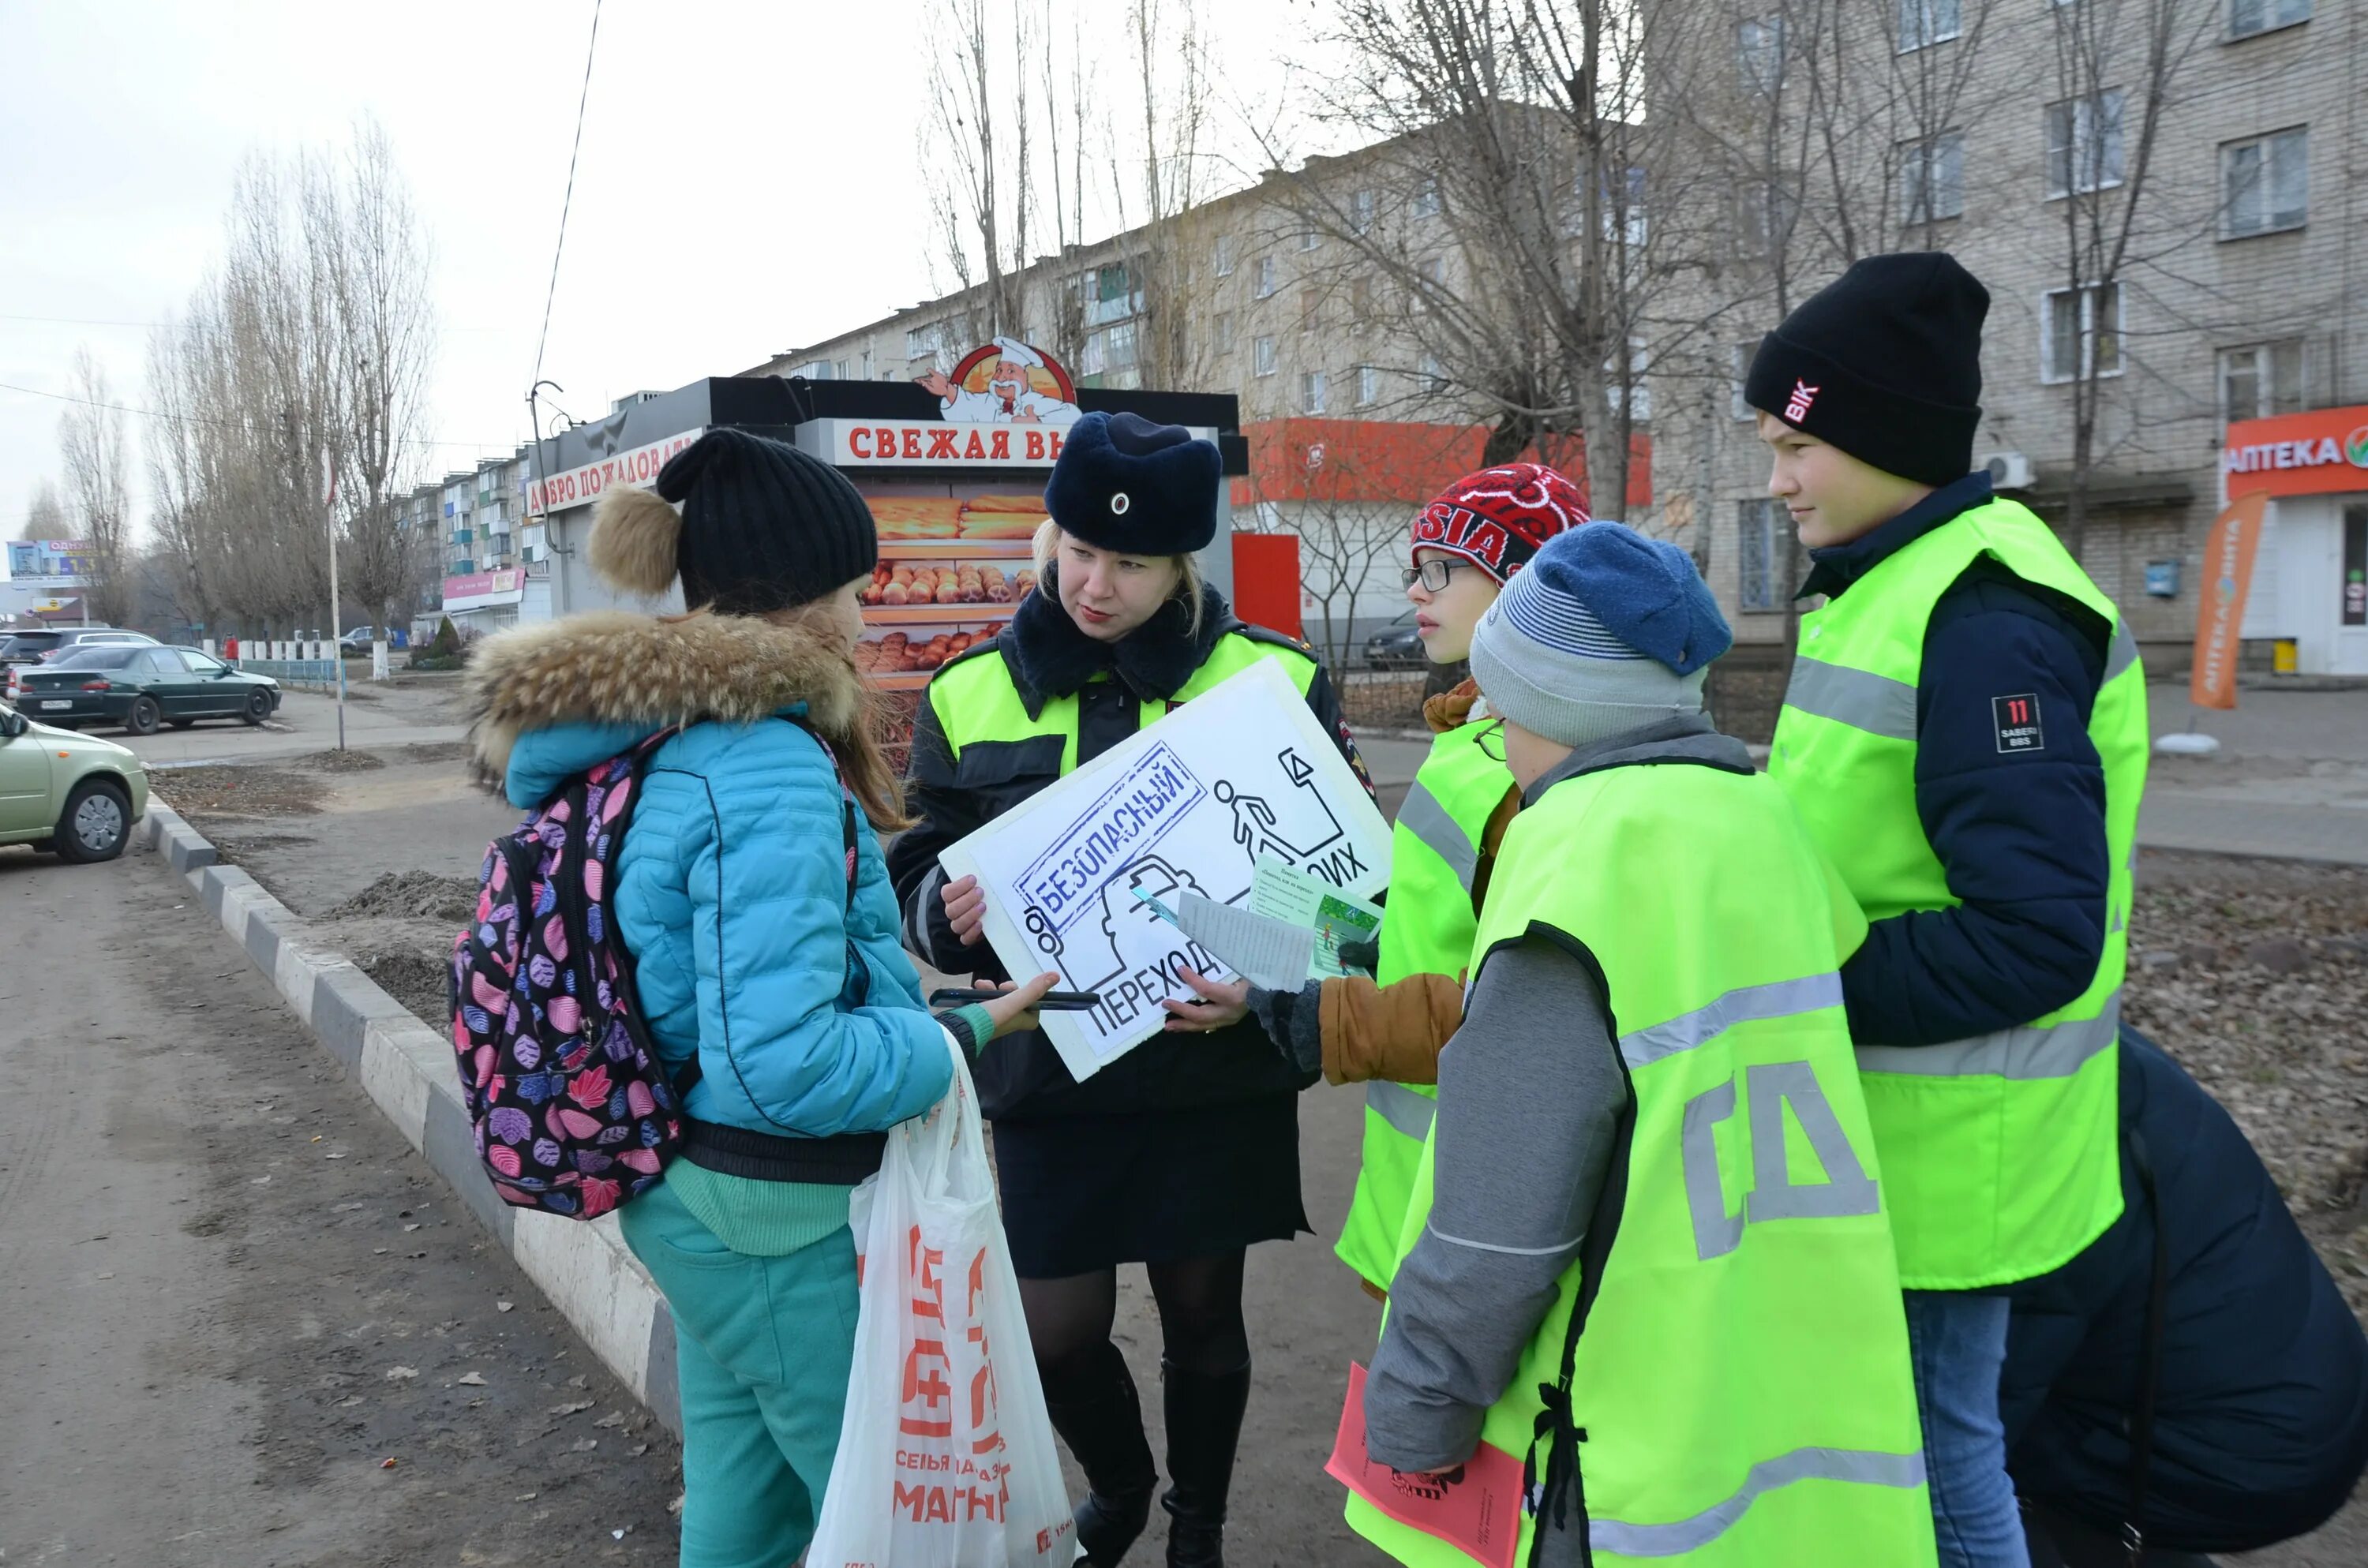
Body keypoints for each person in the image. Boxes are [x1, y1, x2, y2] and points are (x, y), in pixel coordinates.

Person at [466, 428, 1055, 1568]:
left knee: (746, 1508)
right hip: (772, 1209)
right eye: (852, 588)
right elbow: (787, 1062)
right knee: (882, 1519)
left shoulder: (658, 738)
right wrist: (962, 1033)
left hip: (685, 1183)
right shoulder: (766, 761)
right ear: (799, 601)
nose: (866, 617)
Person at [1353, 524, 1935, 1566]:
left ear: (1554, 704)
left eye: (1501, 695)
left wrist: (1415, 1410)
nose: (1489, 717)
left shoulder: (1575, 860)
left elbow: (1499, 1223)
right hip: (1787, 1398)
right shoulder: (1763, 821)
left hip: (1620, 1444)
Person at [886, 410, 1370, 1568]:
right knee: (1055, 1328)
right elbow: (914, 855)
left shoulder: (1276, 679)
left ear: (1182, 563)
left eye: (1134, 563)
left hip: (1213, 1059)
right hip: (1048, 1062)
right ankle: (1123, 1482)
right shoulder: (968, 692)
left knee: (1207, 1316)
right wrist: (938, 912)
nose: (1096, 584)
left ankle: (1196, 1523)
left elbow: (1345, 896)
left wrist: (1266, 980)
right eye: (1079, 549)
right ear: (1051, 533)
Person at [1746, 253, 2150, 1568]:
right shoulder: (1904, 587)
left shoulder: (1985, 616)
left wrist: (1791, 978)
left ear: (1878, 433)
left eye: (1794, 441)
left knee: (1932, 1452)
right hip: (1901, 1139)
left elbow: (2035, 934)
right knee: (1916, 1445)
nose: (1777, 477)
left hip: (1948, 1164)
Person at [1238, 463, 1588, 1298]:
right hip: (1434, 1178)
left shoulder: (1538, 758)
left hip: (1488, 1198)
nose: (1415, 588)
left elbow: (1532, 1005)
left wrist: (1325, 1016)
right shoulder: (1475, 731)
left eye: (1442, 567)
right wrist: (1298, 946)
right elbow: (1426, 926)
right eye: (1416, 565)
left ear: (1521, 583)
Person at [2003, 1027, 2368, 1567]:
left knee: (1957, 1453)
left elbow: (1978, 1421)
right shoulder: (2083, 1042)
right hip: (2307, 1404)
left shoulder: (2040, 1157)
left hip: (2248, 1461)